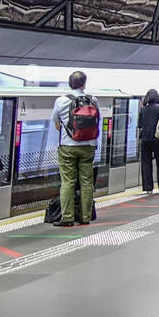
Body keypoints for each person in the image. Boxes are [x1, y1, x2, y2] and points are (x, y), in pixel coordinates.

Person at [52, 71, 99, 228]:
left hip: (68, 146)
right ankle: (85, 217)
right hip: (89, 146)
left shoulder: (61, 101)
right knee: (86, 182)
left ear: (69, 83)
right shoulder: (93, 100)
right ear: (84, 84)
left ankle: (67, 218)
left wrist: (71, 134)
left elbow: (56, 123)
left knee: (68, 182)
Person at [136, 89, 159, 195]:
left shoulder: (142, 109)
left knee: (146, 163)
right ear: (157, 97)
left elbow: (140, 125)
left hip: (145, 139)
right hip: (158, 139)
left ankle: (148, 187)